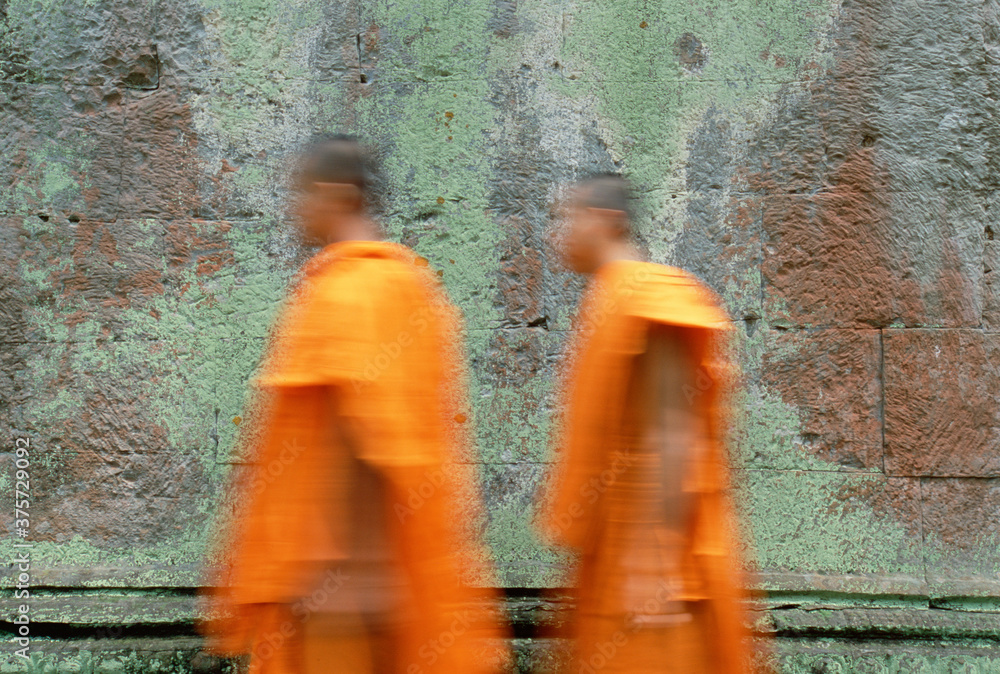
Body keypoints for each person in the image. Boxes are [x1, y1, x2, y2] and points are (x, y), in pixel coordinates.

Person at [199, 136, 506, 674]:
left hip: (341, 588)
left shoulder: (355, 292)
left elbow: (375, 444)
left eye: (304, 193)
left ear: (339, 195)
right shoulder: (403, 284)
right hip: (360, 580)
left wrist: (347, 580)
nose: (296, 208)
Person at [538, 175, 760, 674]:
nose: (558, 232)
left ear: (608, 222)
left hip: (655, 558)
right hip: (613, 554)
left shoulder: (650, 298)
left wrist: (652, 565)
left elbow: (671, 431)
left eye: (568, 217)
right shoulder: (608, 299)